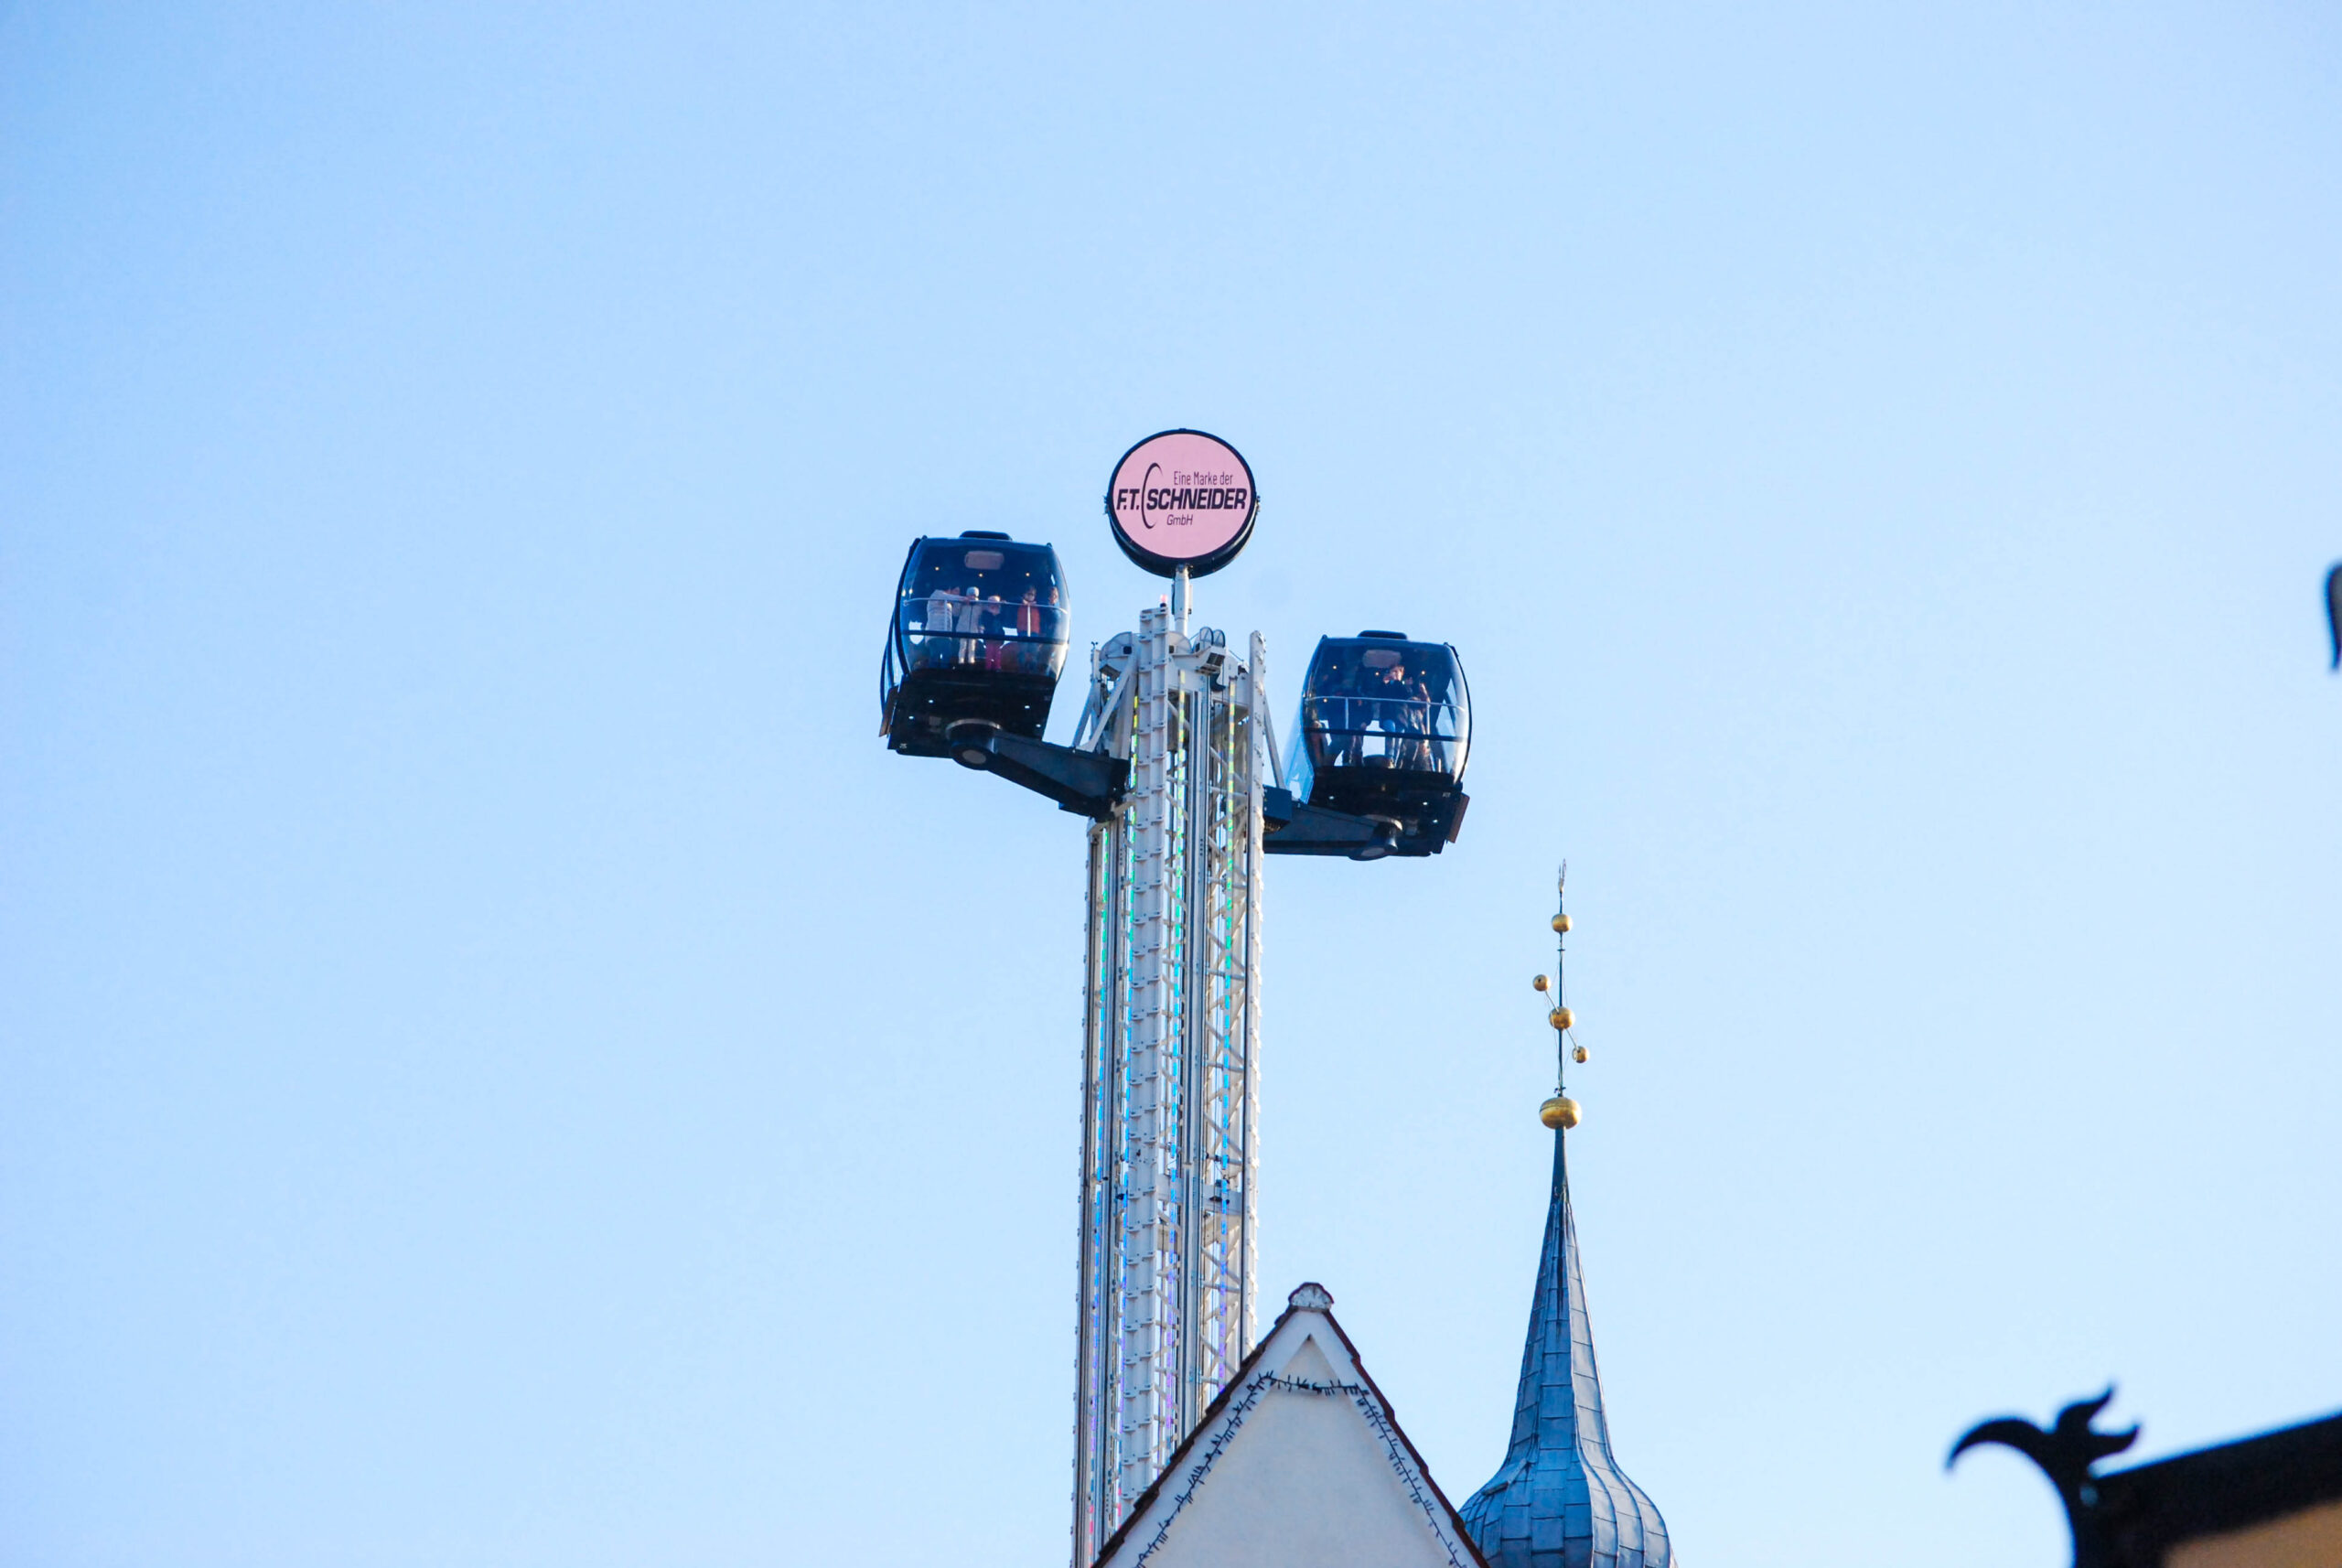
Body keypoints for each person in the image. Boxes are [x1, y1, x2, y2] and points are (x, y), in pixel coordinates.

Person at [924, 580, 962, 670]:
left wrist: (957, 602)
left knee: (945, 654)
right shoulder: (937, 594)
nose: (957, 594)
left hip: (945, 632)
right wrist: (963, 598)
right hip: (936, 632)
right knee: (938, 654)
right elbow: (950, 597)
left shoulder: (948, 602)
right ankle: (936, 672)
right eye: (956, 591)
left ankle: (940, 671)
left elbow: (956, 613)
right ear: (949, 590)